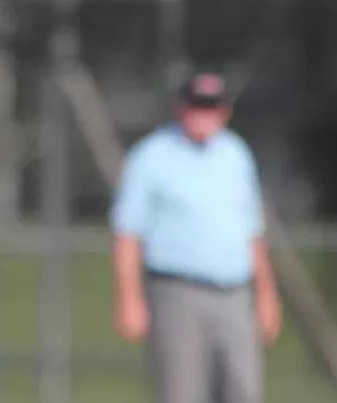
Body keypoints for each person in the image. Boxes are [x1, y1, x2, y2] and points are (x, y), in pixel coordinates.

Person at [109, 72, 282, 403]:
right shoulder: (151, 156)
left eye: (211, 107)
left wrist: (266, 295)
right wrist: (129, 298)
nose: (204, 115)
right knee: (183, 391)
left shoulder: (235, 154)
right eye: (197, 106)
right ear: (181, 108)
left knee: (242, 388)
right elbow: (128, 232)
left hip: (234, 293)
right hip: (178, 293)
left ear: (224, 112)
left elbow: (252, 232)